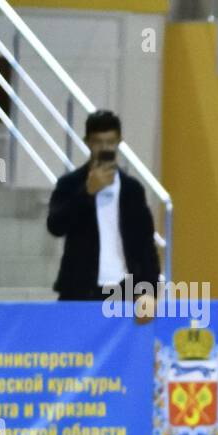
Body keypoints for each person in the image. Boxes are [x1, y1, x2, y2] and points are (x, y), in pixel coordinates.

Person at [45, 110, 159, 321]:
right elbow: (55, 226)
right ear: (87, 142)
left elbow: (145, 245)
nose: (105, 148)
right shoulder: (70, 184)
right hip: (79, 288)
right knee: (76, 353)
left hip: (125, 291)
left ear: (119, 142)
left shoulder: (132, 190)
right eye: (98, 142)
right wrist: (86, 192)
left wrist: (149, 291)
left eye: (111, 142)